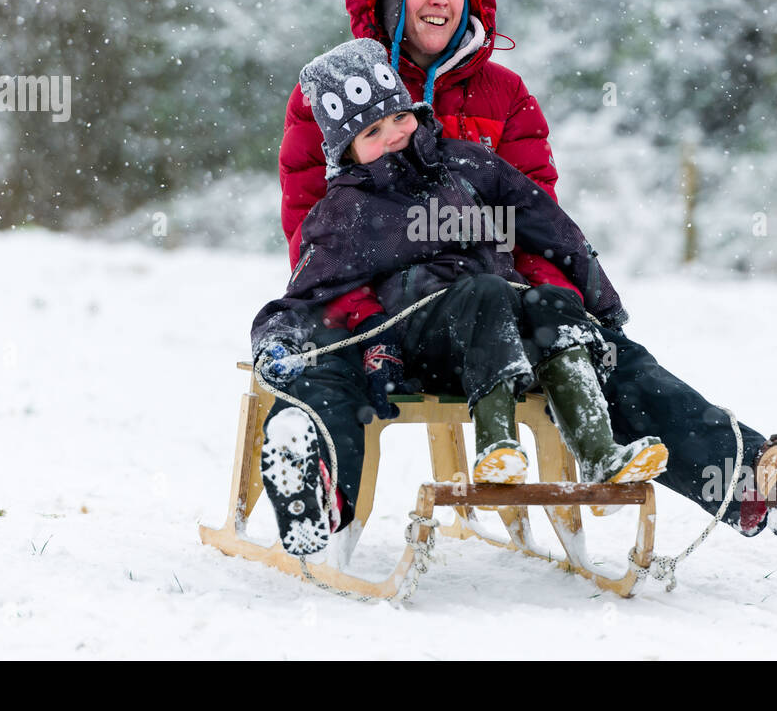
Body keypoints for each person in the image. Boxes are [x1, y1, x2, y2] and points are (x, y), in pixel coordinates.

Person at [263, 0, 777, 556]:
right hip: (374, 322)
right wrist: (374, 310)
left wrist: (554, 304)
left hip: (489, 316)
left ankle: (758, 482)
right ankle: (316, 485)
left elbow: (538, 224)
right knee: (307, 355)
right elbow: (312, 233)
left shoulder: (505, 99)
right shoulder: (331, 95)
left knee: (604, 352)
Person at [253, 39, 669, 555]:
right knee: (484, 294)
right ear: (346, 151)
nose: (393, 138)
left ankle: (599, 455)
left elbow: (546, 223)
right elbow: (309, 292)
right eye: (371, 133)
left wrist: (601, 301)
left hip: (503, 333)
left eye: (397, 118)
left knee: (552, 307)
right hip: (421, 340)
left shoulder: (467, 165)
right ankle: (471, 450)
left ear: (413, 109)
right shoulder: (350, 207)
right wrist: (276, 340)